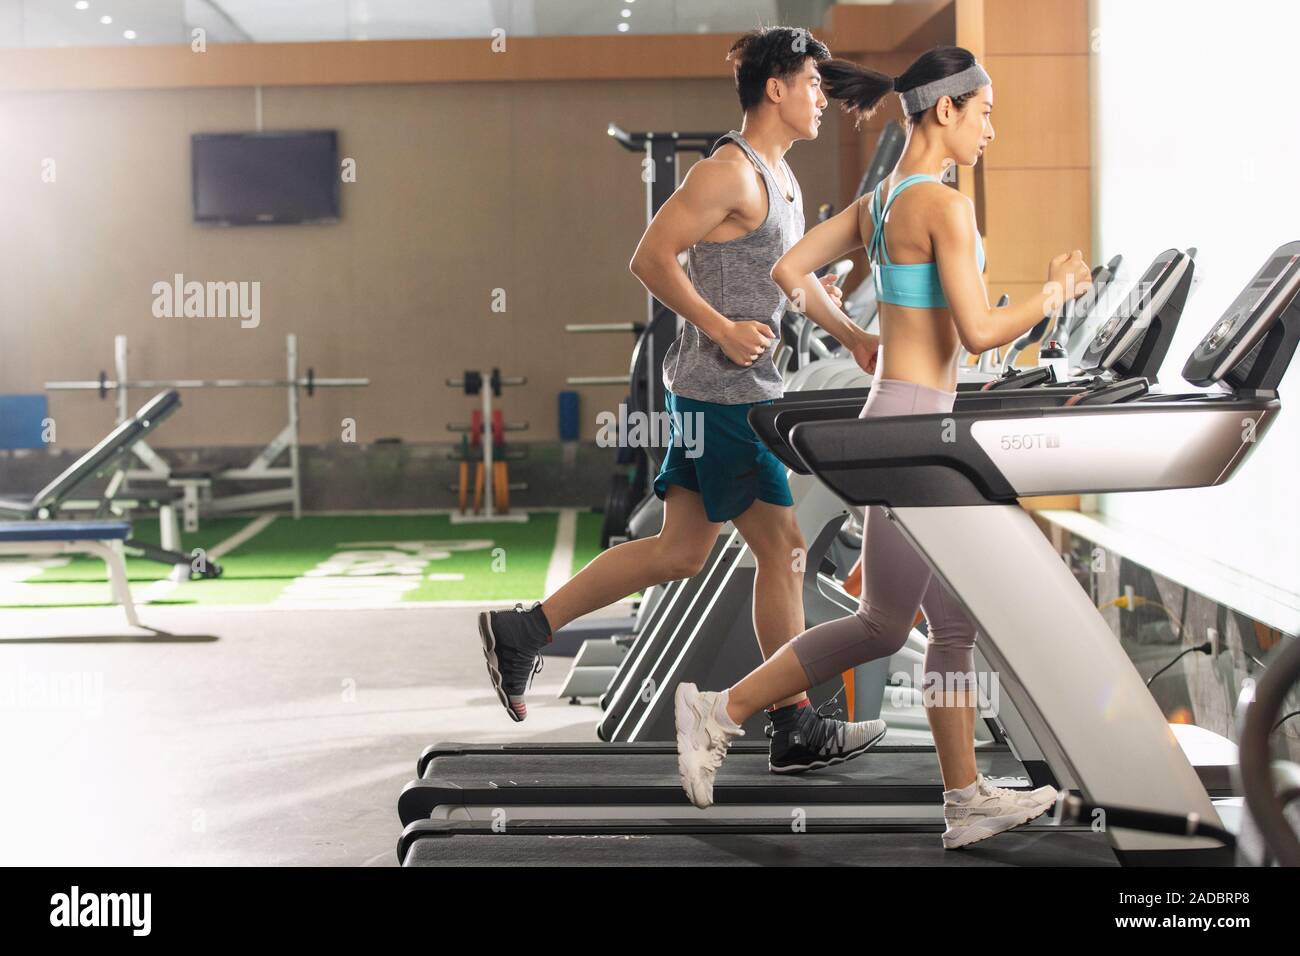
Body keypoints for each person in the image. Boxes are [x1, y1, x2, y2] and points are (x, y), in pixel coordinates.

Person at [673, 46, 1093, 848]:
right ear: (947, 111)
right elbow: (975, 329)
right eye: (986, 112)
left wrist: (857, 337)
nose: (992, 130)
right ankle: (720, 710)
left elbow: (793, 269)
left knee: (930, 622)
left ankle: (963, 795)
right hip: (914, 430)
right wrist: (1054, 293)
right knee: (888, 625)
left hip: (902, 414)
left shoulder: (883, 200)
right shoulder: (940, 203)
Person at [476, 26, 886, 774]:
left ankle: (526, 630)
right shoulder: (730, 171)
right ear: (775, 87)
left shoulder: (782, 178)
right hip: (724, 397)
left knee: (681, 551)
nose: (823, 96)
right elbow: (649, 256)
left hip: (716, 396)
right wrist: (721, 326)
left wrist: (853, 334)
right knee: (785, 551)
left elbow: (787, 280)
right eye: (813, 83)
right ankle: (792, 724)